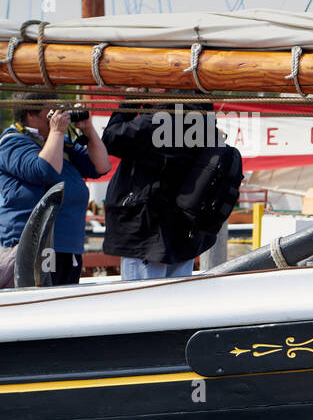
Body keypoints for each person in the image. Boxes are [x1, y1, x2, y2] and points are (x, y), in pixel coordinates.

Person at [101, 99, 241, 280]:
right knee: (176, 302)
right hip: (184, 235)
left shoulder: (153, 122)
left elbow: (112, 138)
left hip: (147, 233)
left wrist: (131, 103)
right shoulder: (203, 123)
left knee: (139, 303)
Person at [0, 91, 111, 288]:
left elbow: (102, 166)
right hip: (34, 247)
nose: (58, 114)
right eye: (51, 110)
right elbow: (44, 170)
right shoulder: (12, 142)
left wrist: (88, 130)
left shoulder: (61, 143)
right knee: (39, 306)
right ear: (31, 114)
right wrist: (58, 131)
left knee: (62, 308)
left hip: (67, 248)